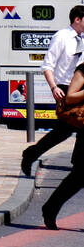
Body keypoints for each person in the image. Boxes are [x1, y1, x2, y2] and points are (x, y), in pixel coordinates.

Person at [21, 5, 84, 177]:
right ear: (77, 19)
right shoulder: (62, 37)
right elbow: (47, 65)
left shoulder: (82, 38)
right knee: (64, 130)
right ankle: (32, 154)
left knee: (75, 126)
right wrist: (54, 87)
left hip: (79, 88)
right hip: (64, 89)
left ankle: (77, 163)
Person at [41, 58, 84, 228]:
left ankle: (50, 208)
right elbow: (70, 97)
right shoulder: (82, 70)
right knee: (78, 177)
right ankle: (50, 208)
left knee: (78, 178)